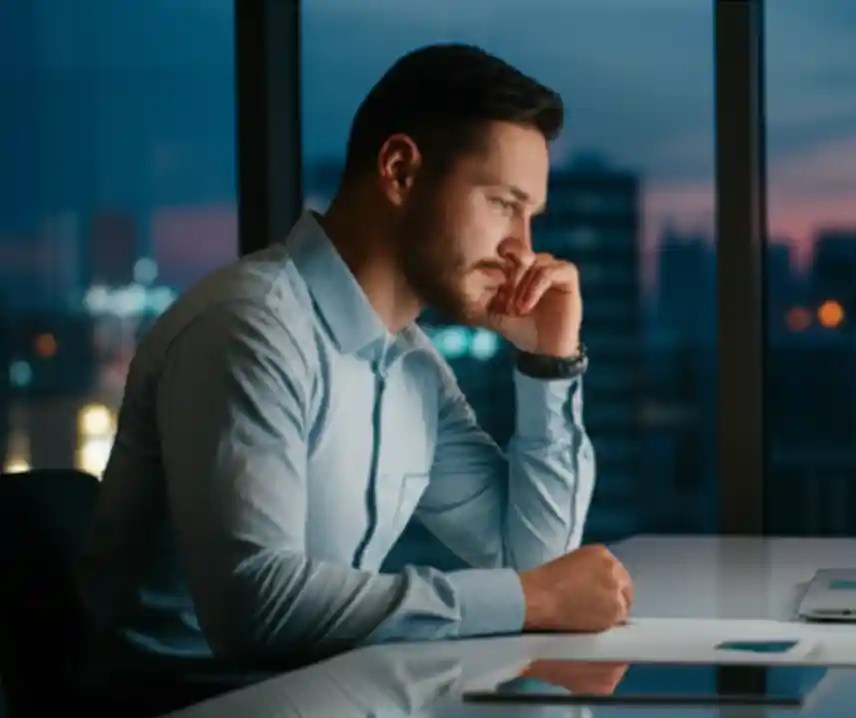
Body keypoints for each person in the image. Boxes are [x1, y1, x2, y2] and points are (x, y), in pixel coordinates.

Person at [75, 43, 633, 670]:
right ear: (399, 170)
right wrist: (525, 600)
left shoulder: (412, 366)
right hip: (189, 703)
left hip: (318, 694)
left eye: (531, 217)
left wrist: (549, 365)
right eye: (503, 205)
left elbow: (534, 561)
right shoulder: (252, 329)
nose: (523, 251)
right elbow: (255, 611)